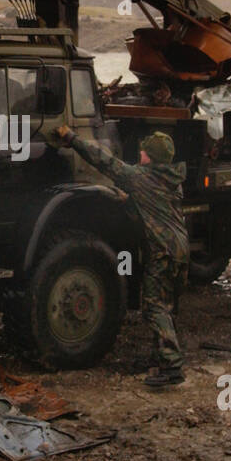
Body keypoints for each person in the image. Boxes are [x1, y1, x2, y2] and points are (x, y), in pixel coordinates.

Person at [53, 125, 189, 386]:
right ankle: (160, 356)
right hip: (179, 249)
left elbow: (104, 161)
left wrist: (72, 138)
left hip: (162, 250)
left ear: (151, 156)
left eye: (144, 152)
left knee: (154, 308)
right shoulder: (170, 179)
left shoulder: (140, 177)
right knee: (167, 306)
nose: (140, 154)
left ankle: (172, 367)